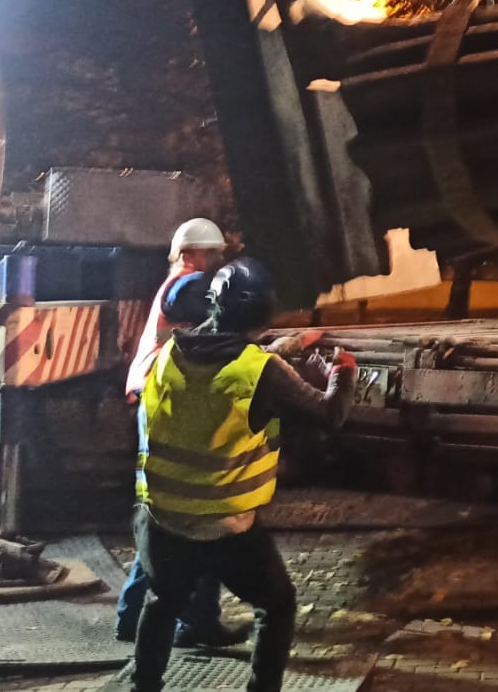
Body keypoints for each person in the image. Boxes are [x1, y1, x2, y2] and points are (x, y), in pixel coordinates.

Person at [130, 257, 356, 692]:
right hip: (225, 526)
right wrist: (343, 372)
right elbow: (331, 413)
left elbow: (220, 363)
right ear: (264, 315)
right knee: (278, 603)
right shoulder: (262, 372)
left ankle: (143, 686)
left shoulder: (171, 352)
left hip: (161, 520)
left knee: (162, 603)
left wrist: (276, 352)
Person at [115, 217, 239, 646]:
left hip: (164, 401)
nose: (217, 261)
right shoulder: (186, 285)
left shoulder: (179, 285)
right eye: (213, 253)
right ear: (191, 254)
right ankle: (193, 621)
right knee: (194, 512)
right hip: (166, 403)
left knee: (171, 514)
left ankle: (142, 615)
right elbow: (211, 302)